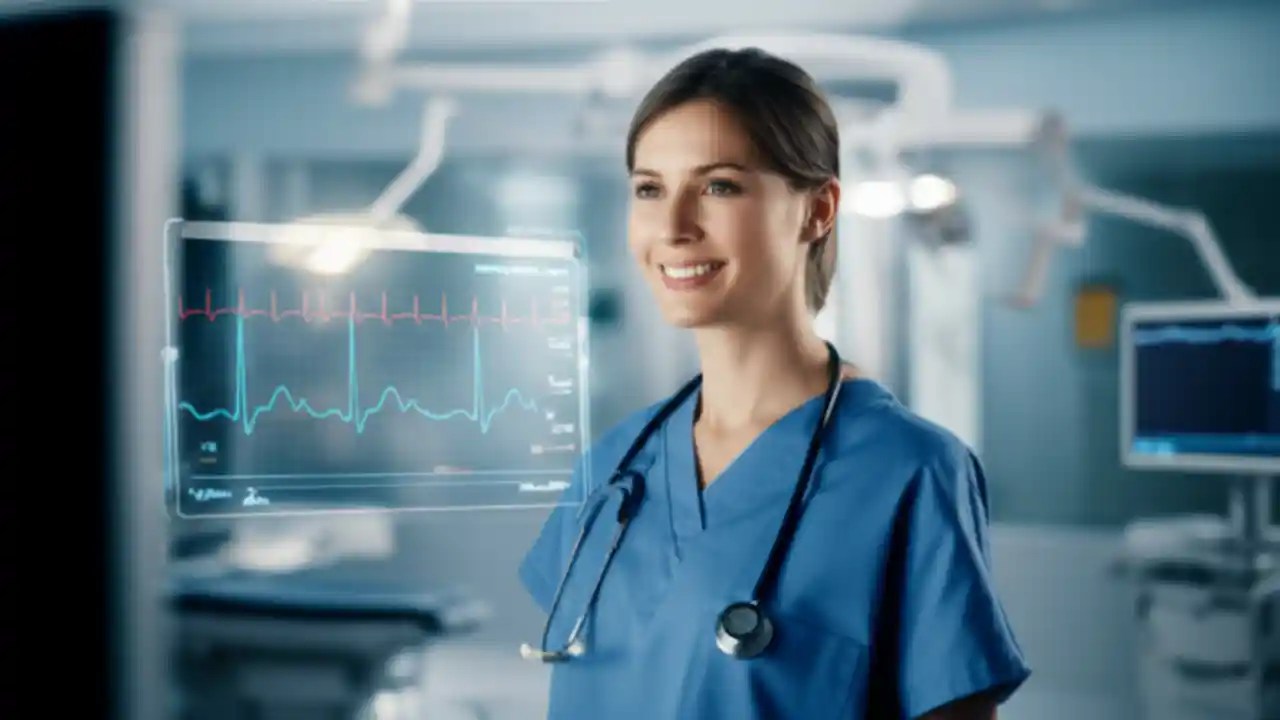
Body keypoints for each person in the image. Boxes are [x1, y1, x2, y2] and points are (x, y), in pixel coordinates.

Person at [518, 46, 1031, 720]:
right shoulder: (615, 463)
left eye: (719, 186)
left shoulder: (910, 472)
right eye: (649, 188)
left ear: (818, 211)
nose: (672, 227)